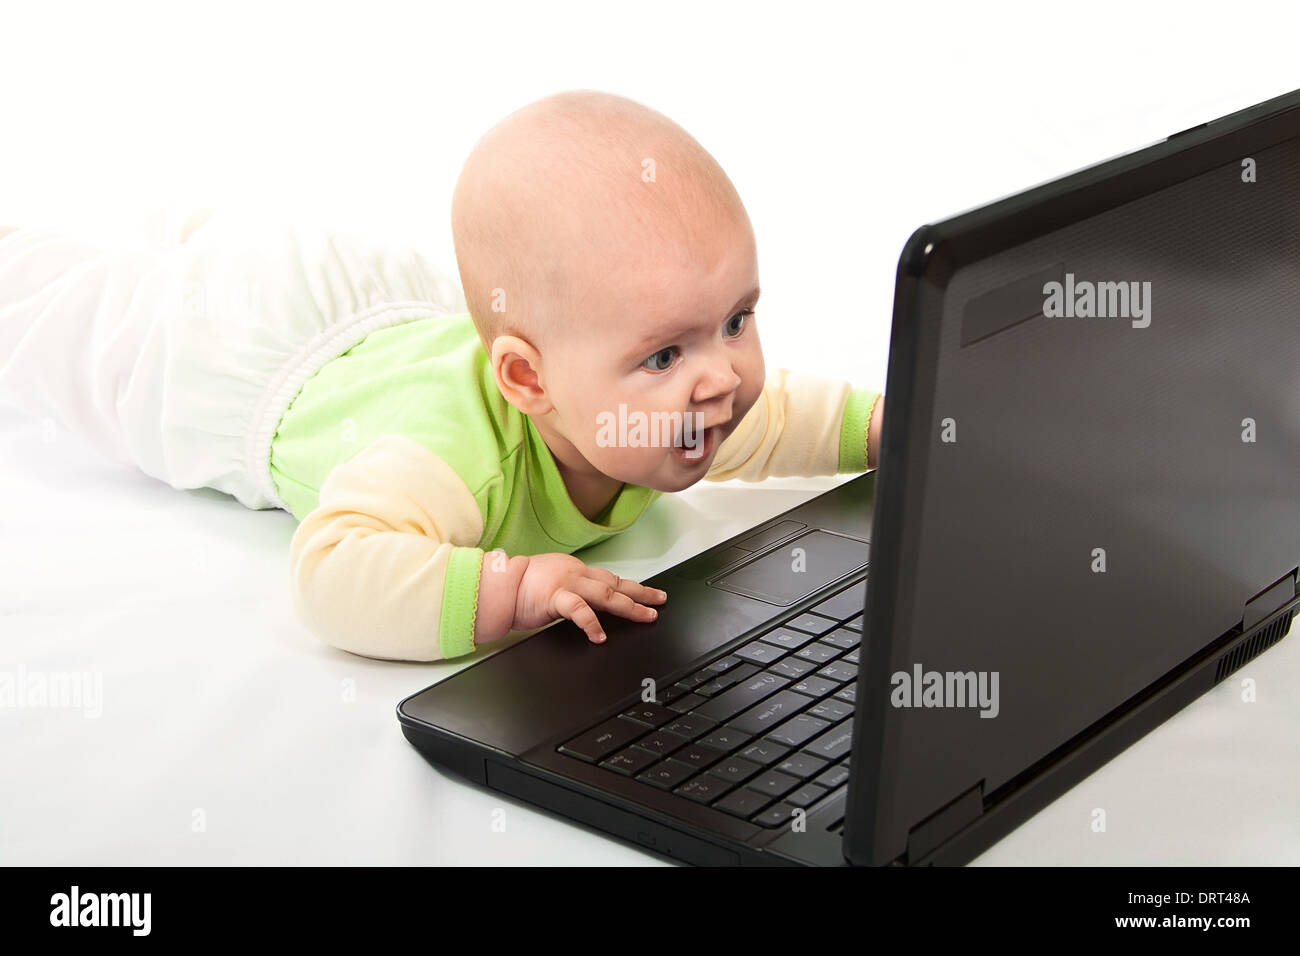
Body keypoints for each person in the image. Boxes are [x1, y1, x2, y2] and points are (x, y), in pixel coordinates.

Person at [0, 89, 884, 663]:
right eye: (664, 354)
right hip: (235, 359)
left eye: (736, 320)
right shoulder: (453, 461)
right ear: (529, 382)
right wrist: (513, 588)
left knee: (211, 241)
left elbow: (779, 420)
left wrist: (892, 426)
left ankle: (181, 226)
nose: (720, 378)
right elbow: (332, 569)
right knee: (70, 312)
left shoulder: (672, 412)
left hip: (366, 312)